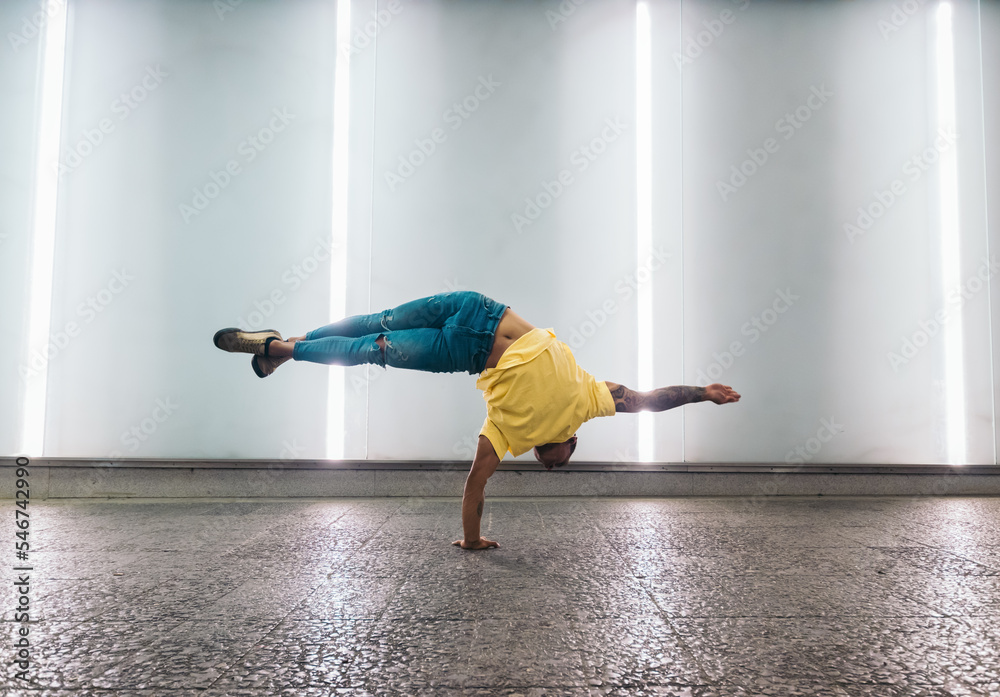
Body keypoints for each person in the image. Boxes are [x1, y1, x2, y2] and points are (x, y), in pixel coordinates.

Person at [214, 291, 740, 550]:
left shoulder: (509, 436)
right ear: (571, 445)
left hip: (459, 344)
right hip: (480, 305)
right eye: (557, 462)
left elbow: (474, 486)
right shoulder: (591, 401)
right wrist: (702, 393)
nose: (550, 462)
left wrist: (471, 539)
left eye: (547, 464)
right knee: (375, 323)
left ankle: (280, 347)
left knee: (371, 346)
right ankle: (285, 349)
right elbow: (650, 400)